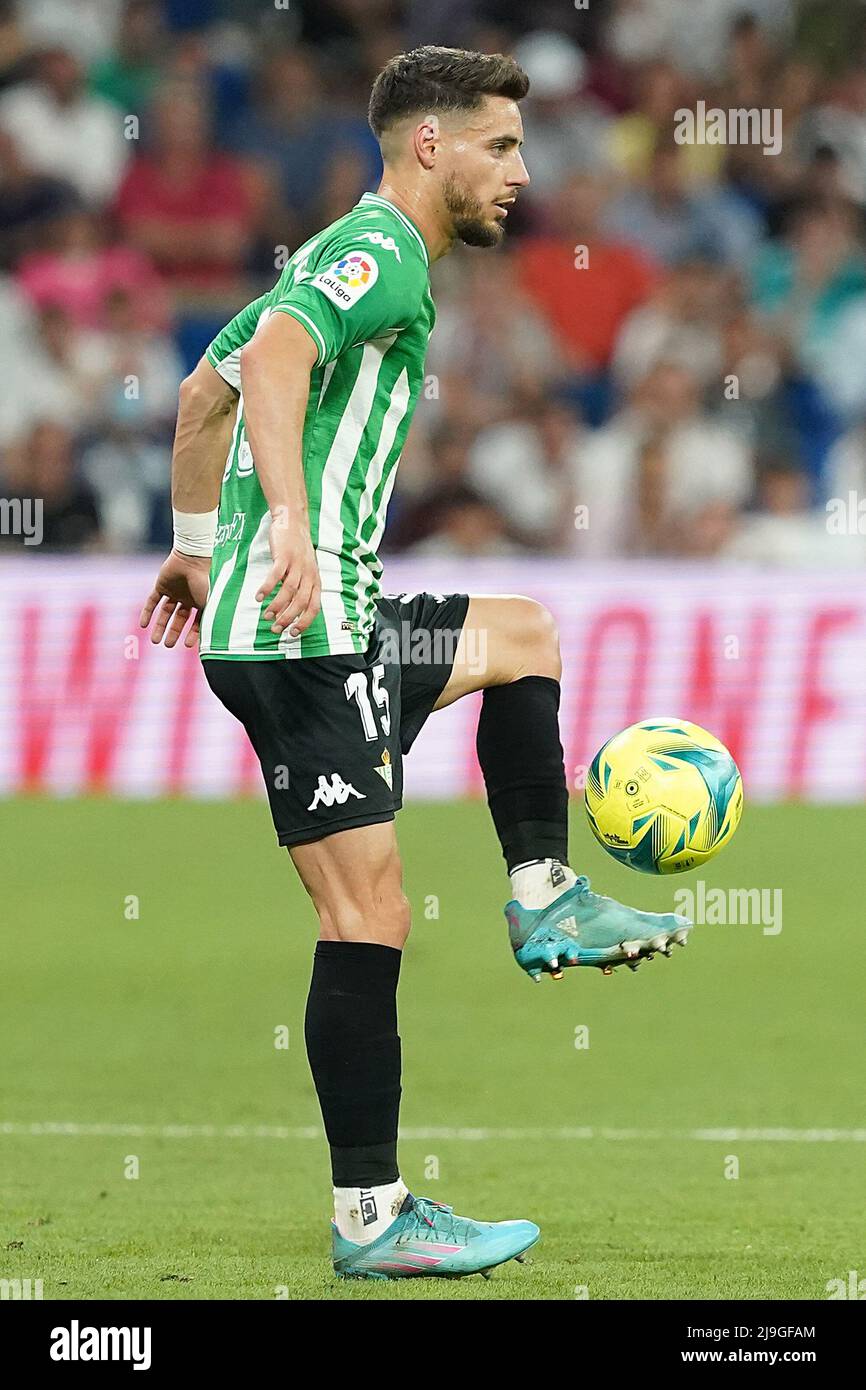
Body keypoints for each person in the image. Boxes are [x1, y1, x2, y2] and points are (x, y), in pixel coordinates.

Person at [139, 45, 689, 1284]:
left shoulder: (361, 253)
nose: (521, 172)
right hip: (300, 632)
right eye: (499, 146)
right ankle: (371, 1218)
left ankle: (544, 889)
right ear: (428, 146)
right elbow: (276, 359)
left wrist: (188, 548)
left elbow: (196, 397)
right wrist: (281, 518)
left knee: (521, 638)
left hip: (328, 613)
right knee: (366, 915)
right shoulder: (374, 250)